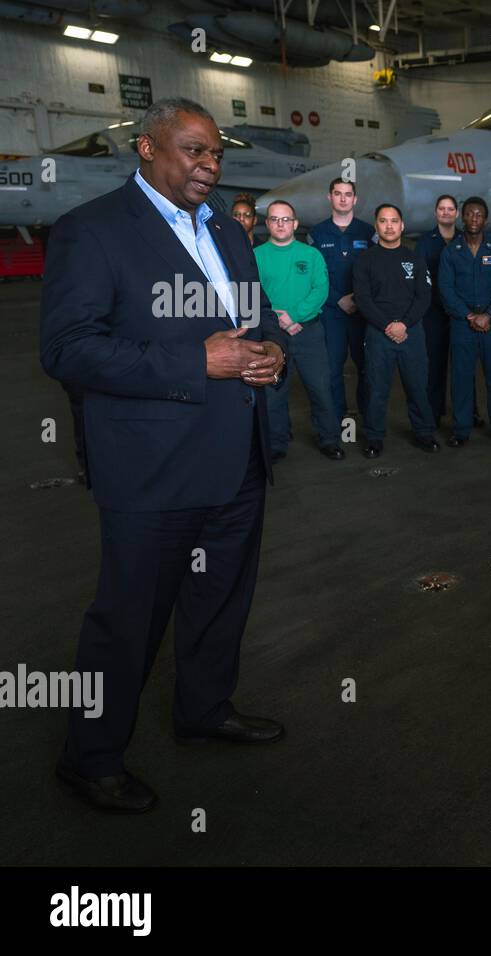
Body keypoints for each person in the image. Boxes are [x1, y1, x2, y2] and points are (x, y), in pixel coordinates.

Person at [39, 97, 288, 814]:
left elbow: (253, 320)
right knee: (129, 619)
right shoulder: (92, 233)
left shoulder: (232, 236)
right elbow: (68, 349)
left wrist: (269, 349)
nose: (208, 166)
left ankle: (204, 711)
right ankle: (89, 759)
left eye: (215, 154)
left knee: (219, 601)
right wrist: (193, 361)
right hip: (149, 469)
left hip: (236, 458)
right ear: (146, 149)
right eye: (192, 151)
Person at [255, 199, 342, 461]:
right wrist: (276, 321)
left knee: (321, 389)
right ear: (268, 224)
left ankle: (330, 439)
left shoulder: (311, 255)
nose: (280, 224)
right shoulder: (256, 256)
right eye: (275, 219)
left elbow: (320, 290)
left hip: (308, 333)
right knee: (273, 393)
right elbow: (252, 294)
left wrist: (293, 317)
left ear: (294, 223)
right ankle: (277, 444)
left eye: (286, 219)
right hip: (272, 335)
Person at [352, 204, 437, 457]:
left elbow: (424, 297)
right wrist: (387, 326)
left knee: (418, 386)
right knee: (376, 388)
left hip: (411, 332)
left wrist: (404, 324)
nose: (389, 226)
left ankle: (424, 433)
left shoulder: (415, 258)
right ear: (376, 226)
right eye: (383, 221)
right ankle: (374, 437)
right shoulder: (365, 259)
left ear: (402, 226)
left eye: (394, 221)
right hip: (379, 334)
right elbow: (363, 298)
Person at [438, 196, 491, 447]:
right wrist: (469, 315)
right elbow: (445, 289)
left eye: (479, 215)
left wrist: (489, 315)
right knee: (461, 379)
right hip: (462, 324)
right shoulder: (451, 251)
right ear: (462, 217)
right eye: (470, 214)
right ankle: (461, 430)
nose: (474, 219)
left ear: (485, 219)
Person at [308, 178, 373, 425]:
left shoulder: (368, 232)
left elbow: (374, 272)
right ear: (330, 197)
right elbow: (315, 277)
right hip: (331, 313)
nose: (343, 198)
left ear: (355, 199)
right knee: (332, 369)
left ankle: (368, 418)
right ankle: (335, 419)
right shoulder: (317, 233)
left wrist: (357, 299)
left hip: (363, 312)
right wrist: (337, 300)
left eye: (348, 194)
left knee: (367, 368)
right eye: (338, 193)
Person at [414, 194, 461, 429]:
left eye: (450, 209)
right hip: (434, 313)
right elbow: (421, 279)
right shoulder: (425, 241)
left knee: (463, 366)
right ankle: (433, 412)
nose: (446, 212)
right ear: (436, 213)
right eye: (441, 209)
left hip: (462, 313)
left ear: (457, 213)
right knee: (435, 366)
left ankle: (467, 412)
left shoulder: (466, 239)